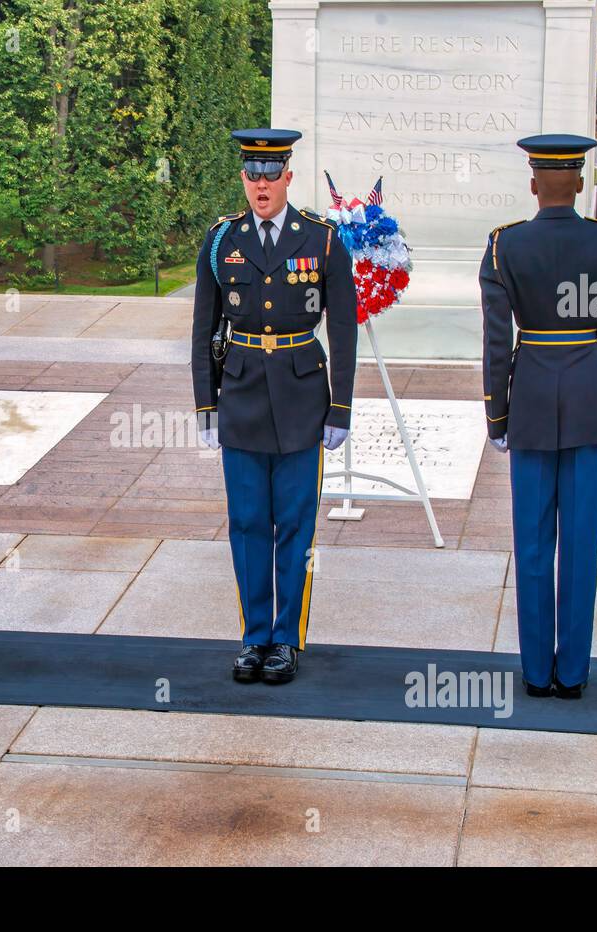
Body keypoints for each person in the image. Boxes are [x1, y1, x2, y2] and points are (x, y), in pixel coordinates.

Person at [191, 128, 358, 684]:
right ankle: (254, 635)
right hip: (239, 395)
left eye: (272, 173)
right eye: (252, 174)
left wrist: (340, 408)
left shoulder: (323, 240)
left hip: (302, 395)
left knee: (295, 523)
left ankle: (286, 638)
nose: (261, 184)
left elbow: (344, 331)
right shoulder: (221, 240)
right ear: (243, 178)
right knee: (246, 523)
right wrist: (203, 405)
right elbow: (202, 330)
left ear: (289, 176)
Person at [479, 133, 597, 700]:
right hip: (589, 396)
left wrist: (497, 416)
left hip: (533, 398)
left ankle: (535, 672)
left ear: (532, 183)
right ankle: (572, 671)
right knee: (581, 540)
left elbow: (498, 343)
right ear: (576, 182)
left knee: (533, 539)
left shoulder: (505, 246)